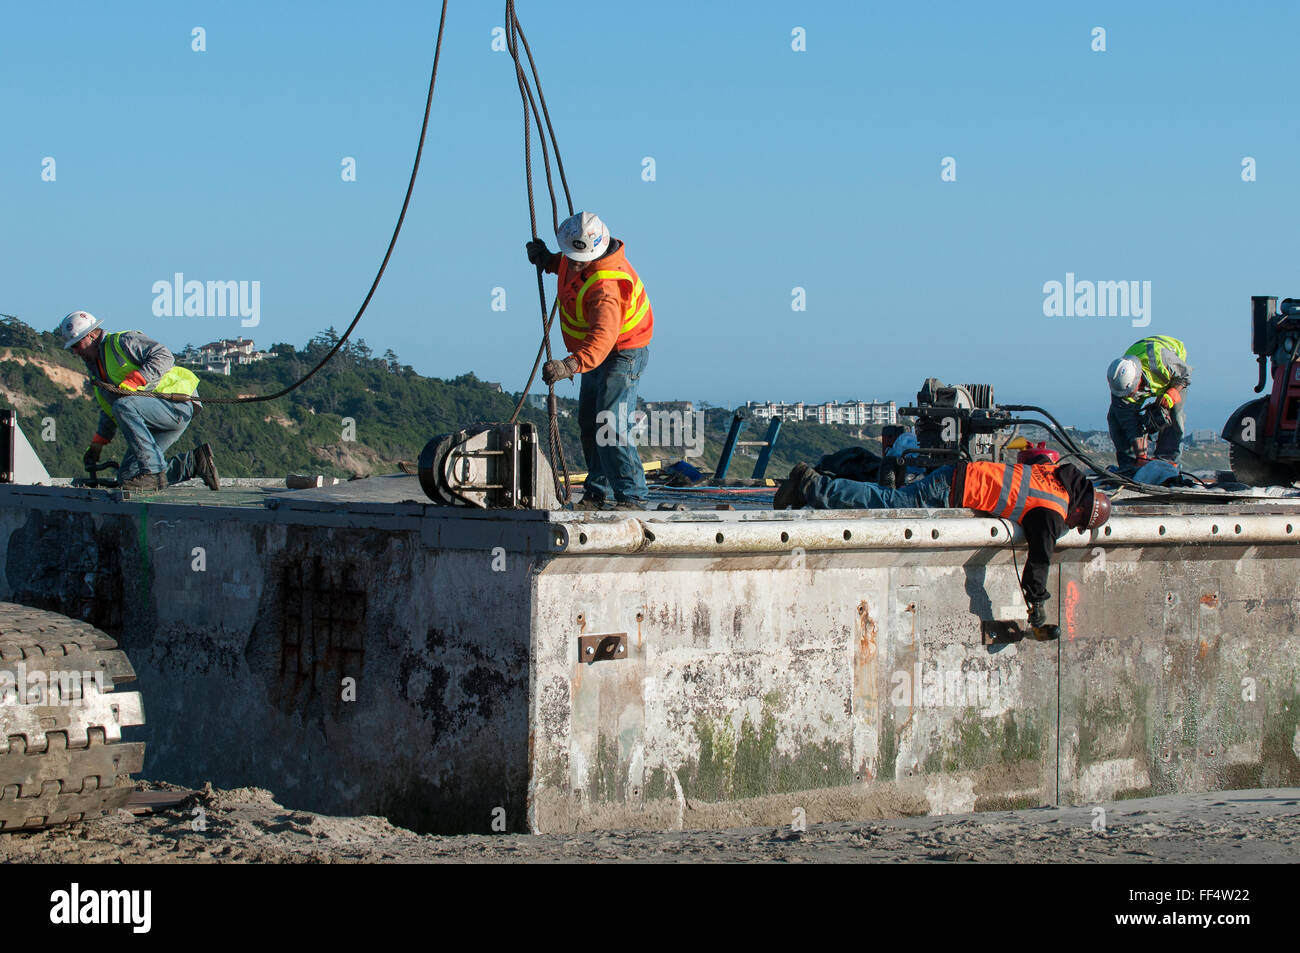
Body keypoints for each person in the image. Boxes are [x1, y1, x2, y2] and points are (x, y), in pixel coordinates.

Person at [775, 457, 1111, 640]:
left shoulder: (1059, 479)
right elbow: (1039, 563)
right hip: (954, 487)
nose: (1073, 527)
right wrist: (1037, 610)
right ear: (1083, 512)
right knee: (889, 503)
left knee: (889, 498)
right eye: (1079, 524)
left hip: (963, 473)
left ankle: (815, 485)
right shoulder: (1054, 514)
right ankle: (811, 484)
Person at [526, 212, 653, 510]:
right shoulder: (579, 259)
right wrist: (548, 260)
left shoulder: (606, 287)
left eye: (575, 257)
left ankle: (632, 495)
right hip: (595, 354)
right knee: (589, 422)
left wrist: (568, 366)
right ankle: (597, 492)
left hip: (621, 352)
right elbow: (568, 266)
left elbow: (602, 338)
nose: (571, 261)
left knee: (610, 424)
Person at [58, 310, 219, 492]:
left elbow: (164, 356)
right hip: (154, 419)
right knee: (128, 478)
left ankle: (153, 471)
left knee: (124, 404)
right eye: (72, 347)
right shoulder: (96, 371)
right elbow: (110, 410)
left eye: (77, 345)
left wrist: (136, 379)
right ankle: (194, 463)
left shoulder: (122, 342)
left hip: (176, 406)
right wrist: (98, 442)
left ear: (92, 335)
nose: (75, 351)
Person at [1105, 336, 1190, 476]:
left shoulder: (1161, 361)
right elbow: (1131, 426)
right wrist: (1141, 457)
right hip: (1148, 375)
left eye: (1130, 391)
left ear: (1137, 380)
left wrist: (1173, 391)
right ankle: (1130, 465)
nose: (1127, 395)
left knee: (1174, 413)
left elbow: (1185, 374)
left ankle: (1168, 460)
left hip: (1174, 374)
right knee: (1115, 418)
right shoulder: (1119, 387)